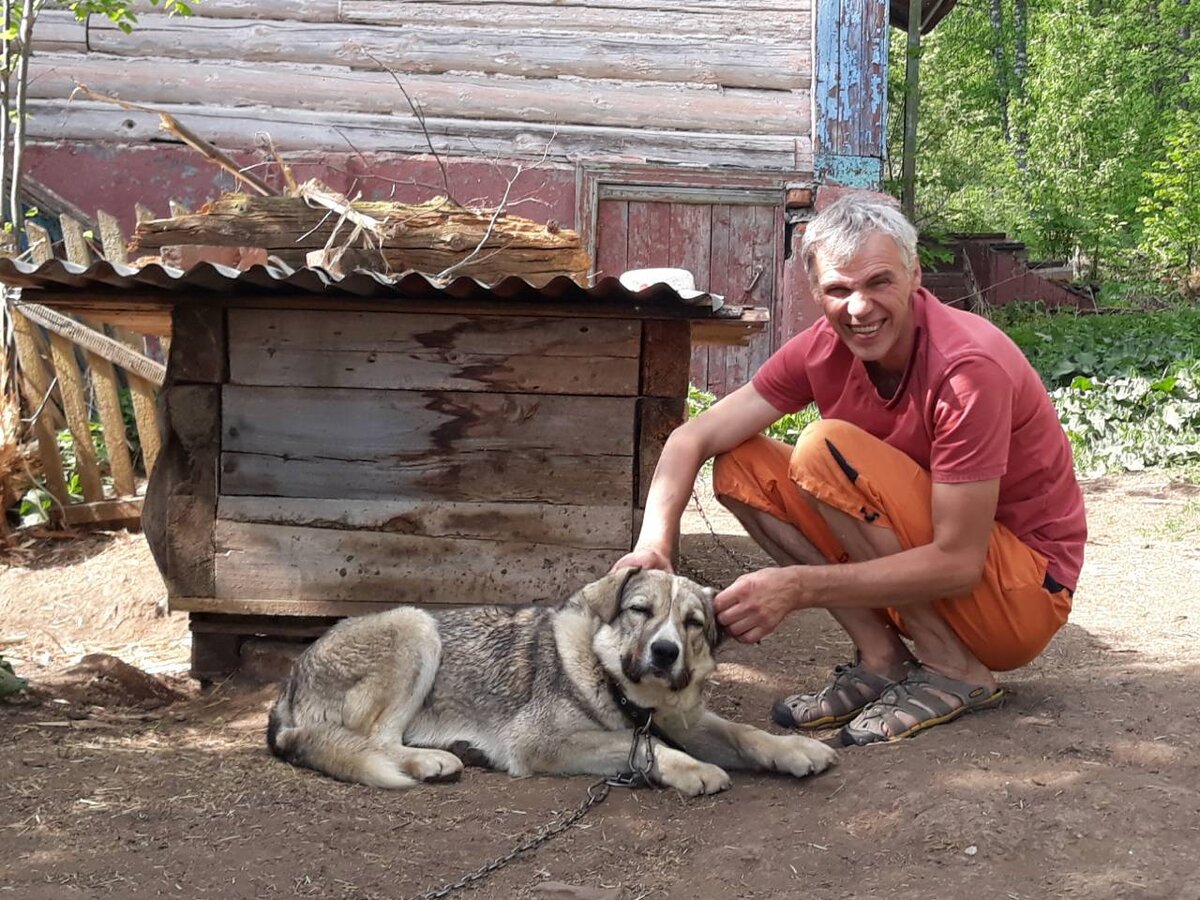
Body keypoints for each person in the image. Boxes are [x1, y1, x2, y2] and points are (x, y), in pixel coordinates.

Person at [613, 192, 1086, 746]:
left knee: (822, 448)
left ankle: (953, 669)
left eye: (878, 282)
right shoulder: (822, 348)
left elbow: (959, 563)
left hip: (1018, 595)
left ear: (914, 276)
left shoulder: (966, 366)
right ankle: (883, 658)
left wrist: (798, 587)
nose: (859, 308)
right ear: (816, 293)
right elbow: (694, 437)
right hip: (932, 562)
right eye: (839, 290)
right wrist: (654, 547)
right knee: (742, 464)